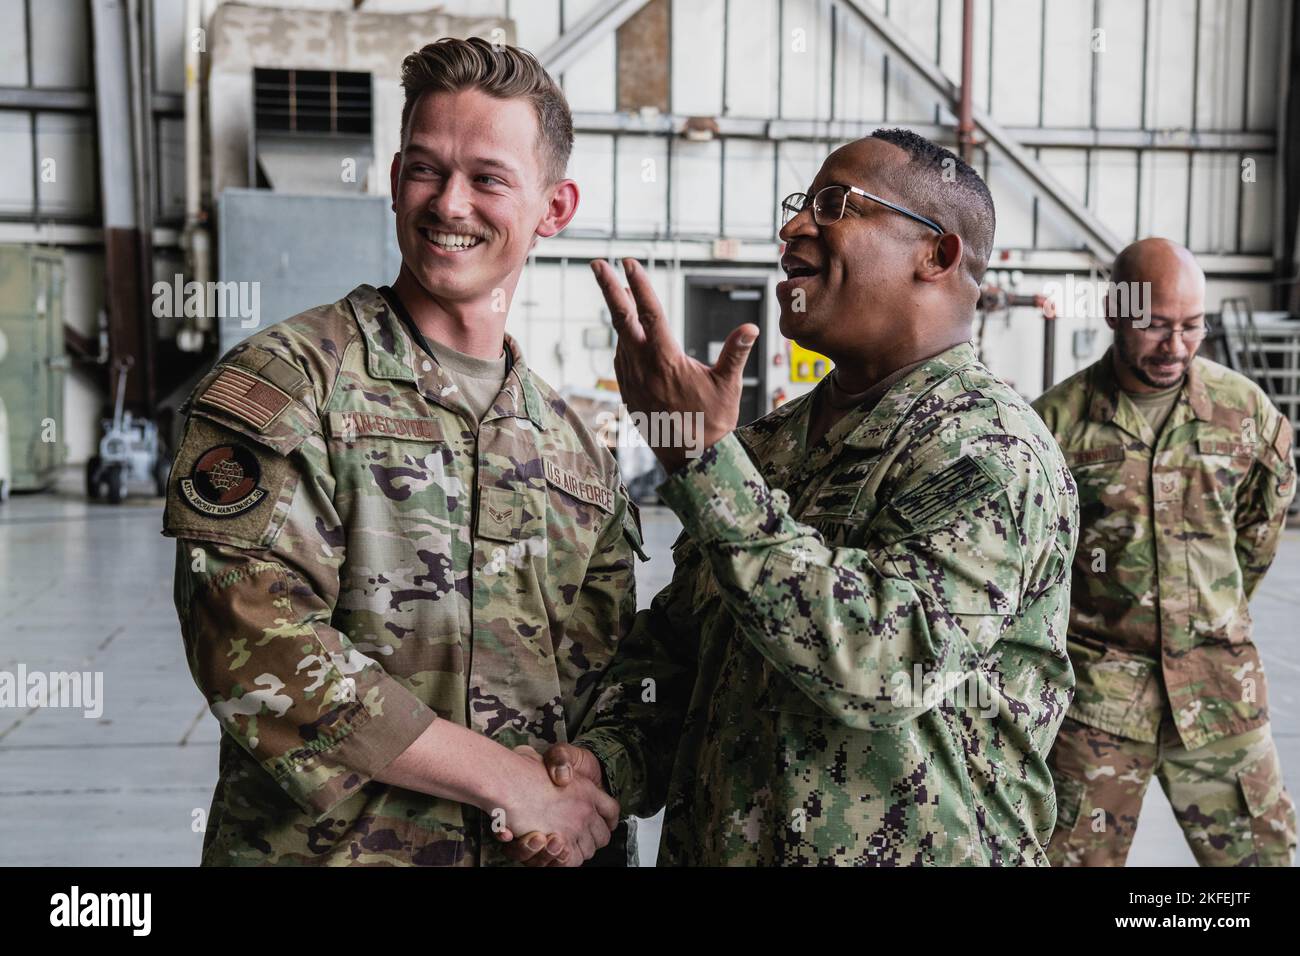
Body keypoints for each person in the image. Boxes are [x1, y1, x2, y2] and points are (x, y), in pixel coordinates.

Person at [510, 128, 1079, 866]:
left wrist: (704, 461)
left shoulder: (991, 451)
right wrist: (604, 766)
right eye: (798, 205)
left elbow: (883, 662)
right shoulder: (767, 448)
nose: (792, 228)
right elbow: (680, 655)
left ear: (937, 254)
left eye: (835, 205)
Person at [164, 37, 639, 867]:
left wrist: (579, 787)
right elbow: (253, 643)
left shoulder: (578, 454)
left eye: (488, 178)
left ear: (553, 210)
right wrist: (509, 782)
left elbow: (610, 685)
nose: (450, 203)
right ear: (392, 182)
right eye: (425, 170)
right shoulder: (289, 383)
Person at [1032, 237, 1297, 866]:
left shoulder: (1244, 413)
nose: (1175, 347)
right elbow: (1034, 570)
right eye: (1154, 326)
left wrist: (1211, 607)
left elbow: (1258, 533)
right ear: (1114, 312)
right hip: (1097, 700)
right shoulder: (1055, 426)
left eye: (1191, 326)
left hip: (1219, 693)